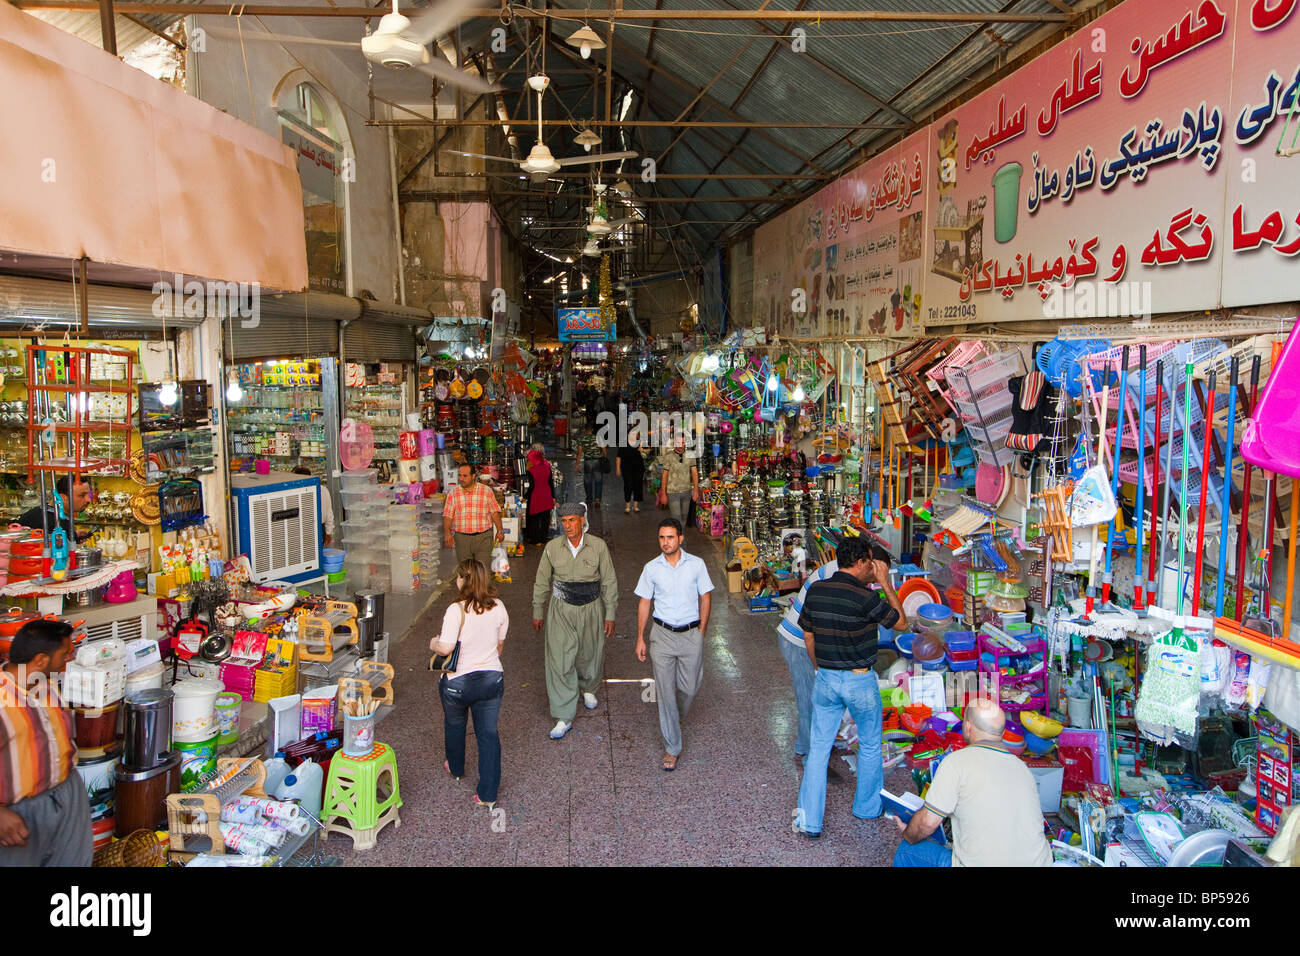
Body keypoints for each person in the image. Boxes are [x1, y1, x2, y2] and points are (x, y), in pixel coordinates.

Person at [793, 535, 903, 838]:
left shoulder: (816, 590)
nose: (873, 567)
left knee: (818, 749)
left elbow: (808, 636)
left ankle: (809, 821)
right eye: (871, 561)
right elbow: (901, 623)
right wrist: (886, 584)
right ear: (861, 562)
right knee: (869, 745)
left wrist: (819, 667)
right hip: (859, 680)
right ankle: (867, 809)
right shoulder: (866, 597)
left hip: (826, 677)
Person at [892, 698, 1053, 867]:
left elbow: (927, 823)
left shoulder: (956, 761)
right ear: (1001, 733)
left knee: (907, 851)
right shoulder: (1022, 768)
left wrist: (908, 834)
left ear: (968, 727)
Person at [0, 619, 92, 867]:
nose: (68, 660)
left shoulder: (46, 684)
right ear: (40, 659)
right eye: (64, 654)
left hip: (67, 792)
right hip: (19, 811)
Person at [532, 503, 618, 739]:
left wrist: (610, 613)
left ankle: (589, 687)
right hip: (561, 609)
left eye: (572, 520)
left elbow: (609, 581)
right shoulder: (551, 548)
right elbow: (541, 581)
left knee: (590, 652)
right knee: (560, 658)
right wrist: (537, 609)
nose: (568, 526)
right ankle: (563, 715)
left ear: (582, 521)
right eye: (564, 521)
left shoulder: (598, 546)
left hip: (591, 607)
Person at [634, 518, 713, 771]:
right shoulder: (651, 568)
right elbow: (645, 602)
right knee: (666, 692)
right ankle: (672, 747)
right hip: (662, 636)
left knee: (689, 687)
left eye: (670, 537)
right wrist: (640, 637)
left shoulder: (697, 565)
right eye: (661, 538)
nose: (665, 542)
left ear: (680, 539)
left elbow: (706, 597)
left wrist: (701, 631)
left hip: (691, 634)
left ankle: (674, 718)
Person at [431, 558, 508, 809]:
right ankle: (487, 794)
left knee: (455, 724)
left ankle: (455, 767)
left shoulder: (456, 610)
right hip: (490, 680)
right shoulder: (498, 607)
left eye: (458, 577)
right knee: (488, 734)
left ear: (463, 579)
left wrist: (433, 643)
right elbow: (499, 646)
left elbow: (445, 647)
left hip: (458, 683)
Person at [442, 464, 504, 567]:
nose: (461, 479)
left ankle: (483, 583)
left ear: (473, 476)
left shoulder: (486, 491)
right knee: (466, 572)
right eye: (460, 475)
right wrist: (447, 533)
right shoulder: (453, 493)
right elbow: (448, 515)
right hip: (462, 539)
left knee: (482, 570)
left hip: (483, 538)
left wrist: (500, 530)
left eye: (465, 476)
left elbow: (494, 512)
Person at [16, 475, 92, 542]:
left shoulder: (40, 511)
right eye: (82, 495)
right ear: (62, 498)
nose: (88, 499)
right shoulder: (55, 523)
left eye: (88, 494)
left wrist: (74, 535)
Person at [657, 435, 699, 530]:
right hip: (672, 492)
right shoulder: (669, 456)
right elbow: (664, 475)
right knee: (677, 519)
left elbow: (694, 472)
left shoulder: (690, 455)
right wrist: (663, 494)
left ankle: (679, 537)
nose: (680, 446)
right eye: (678, 443)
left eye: (682, 443)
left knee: (684, 518)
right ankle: (679, 540)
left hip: (686, 491)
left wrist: (696, 490)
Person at [293, 467, 333, 545]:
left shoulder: (297, 493)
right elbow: (329, 513)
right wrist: (329, 532)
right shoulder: (323, 489)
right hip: (320, 529)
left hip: (304, 530)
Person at [524, 447, 555, 546]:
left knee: (534, 519)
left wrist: (525, 496)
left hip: (536, 496)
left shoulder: (532, 471)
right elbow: (551, 483)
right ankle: (543, 538)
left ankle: (536, 540)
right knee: (545, 518)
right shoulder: (547, 467)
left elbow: (532, 486)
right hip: (547, 494)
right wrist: (553, 496)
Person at [574, 423, 607, 510]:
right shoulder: (598, 438)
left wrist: (577, 464)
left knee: (587, 480)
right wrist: (604, 457)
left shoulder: (583, 439)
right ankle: (597, 499)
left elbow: (579, 453)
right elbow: (604, 450)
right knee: (598, 480)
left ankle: (589, 498)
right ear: (592, 430)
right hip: (597, 461)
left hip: (588, 461)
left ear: (585, 430)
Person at [616, 430, 646, 514]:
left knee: (638, 485)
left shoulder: (640, 443)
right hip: (626, 468)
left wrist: (642, 450)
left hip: (638, 468)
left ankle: (636, 506)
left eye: (634, 434)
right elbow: (618, 457)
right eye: (631, 434)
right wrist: (618, 468)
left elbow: (648, 451)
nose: (633, 435)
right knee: (628, 485)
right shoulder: (624, 444)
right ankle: (627, 506)